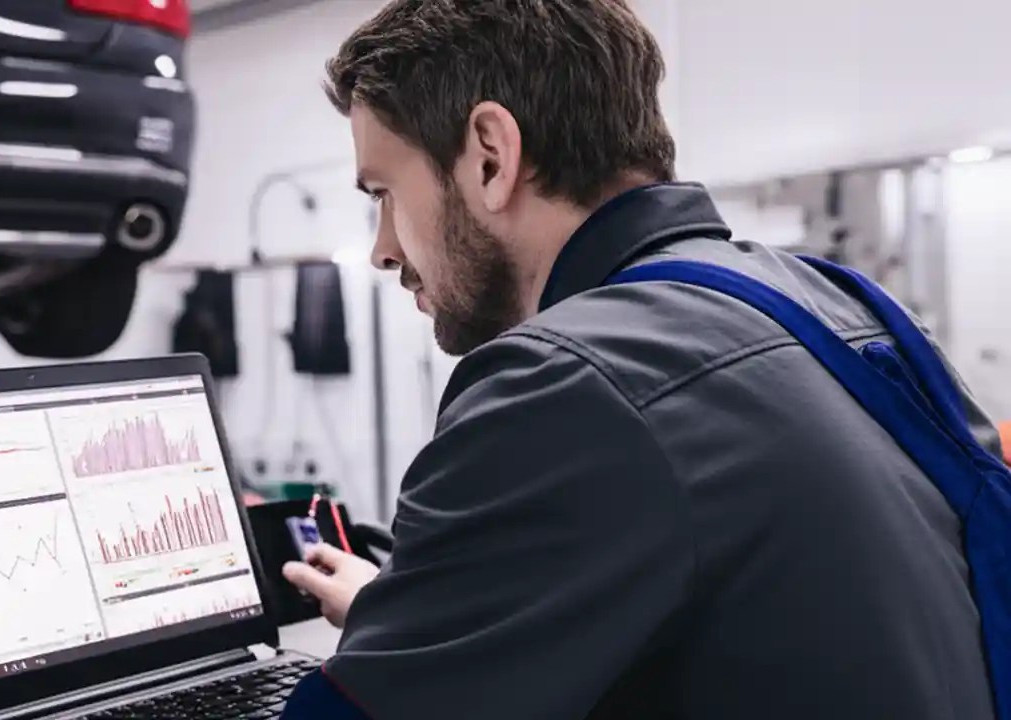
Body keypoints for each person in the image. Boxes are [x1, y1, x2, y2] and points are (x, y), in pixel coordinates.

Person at [279, 1, 999, 719]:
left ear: (490, 156)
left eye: (383, 193)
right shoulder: (837, 304)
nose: (382, 248)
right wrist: (419, 620)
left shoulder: (561, 385)